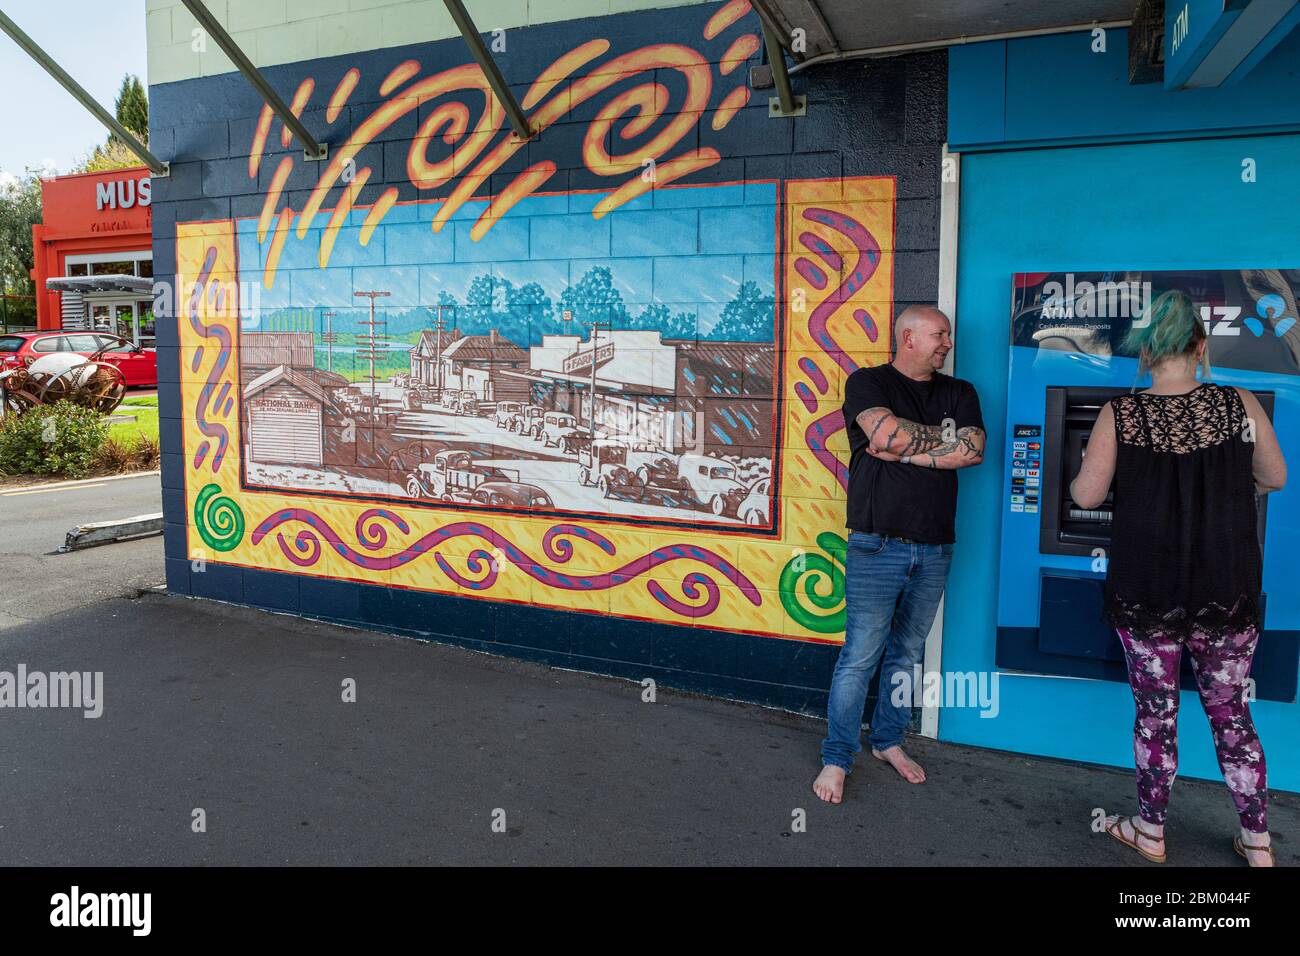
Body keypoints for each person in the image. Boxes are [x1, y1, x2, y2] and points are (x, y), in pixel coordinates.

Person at [1070, 290, 1287, 866]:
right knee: (1233, 716)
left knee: (1156, 716)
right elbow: (1276, 476)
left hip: (1147, 593)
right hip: (1227, 589)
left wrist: (1087, 480)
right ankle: (1259, 843)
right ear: (1200, 344)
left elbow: (1088, 494)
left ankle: (1150, 831)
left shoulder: (1122, 413)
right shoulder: (1238, 403)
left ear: (1145, 352)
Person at [813, 305, 985, 804]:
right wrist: (935, 447)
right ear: (908, 337)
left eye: (949, 334)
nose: (947, 342)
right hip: (876, 542)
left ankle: (888, 741)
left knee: (907, 653)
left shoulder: (961, 392)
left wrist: (910, 451)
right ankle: (837, 756)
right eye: (940, 334)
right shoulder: (867, 382)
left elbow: (973, 449)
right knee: (860, 655)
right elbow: (883, 433)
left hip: (935, 547)